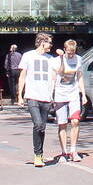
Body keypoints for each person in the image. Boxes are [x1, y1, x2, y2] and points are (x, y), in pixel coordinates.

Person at [19, 34, 59, 167]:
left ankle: (40, 154)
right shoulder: (28, 56)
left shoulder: (51, 59)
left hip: (46, 97)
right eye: (49, 43)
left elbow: (55, 76)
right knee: (38, 124)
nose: (51, 45)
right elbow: (22, 76)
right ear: (42, 42)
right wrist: (20, 95)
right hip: (32, 96)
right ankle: (37, 154)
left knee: (42, 127)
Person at [52, 39, 87, 162]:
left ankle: (73, 150)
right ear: (65, 50)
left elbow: (80, 76)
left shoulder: (79, 59)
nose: (71, 55)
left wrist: (83, 94)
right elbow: (59, 74)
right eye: (69, 53)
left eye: (73, 53)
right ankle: (64, 152)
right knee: (62, 123)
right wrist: (62, 58)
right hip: (61, 94)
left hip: (73, 94)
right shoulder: (56, 60)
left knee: (75, 121)